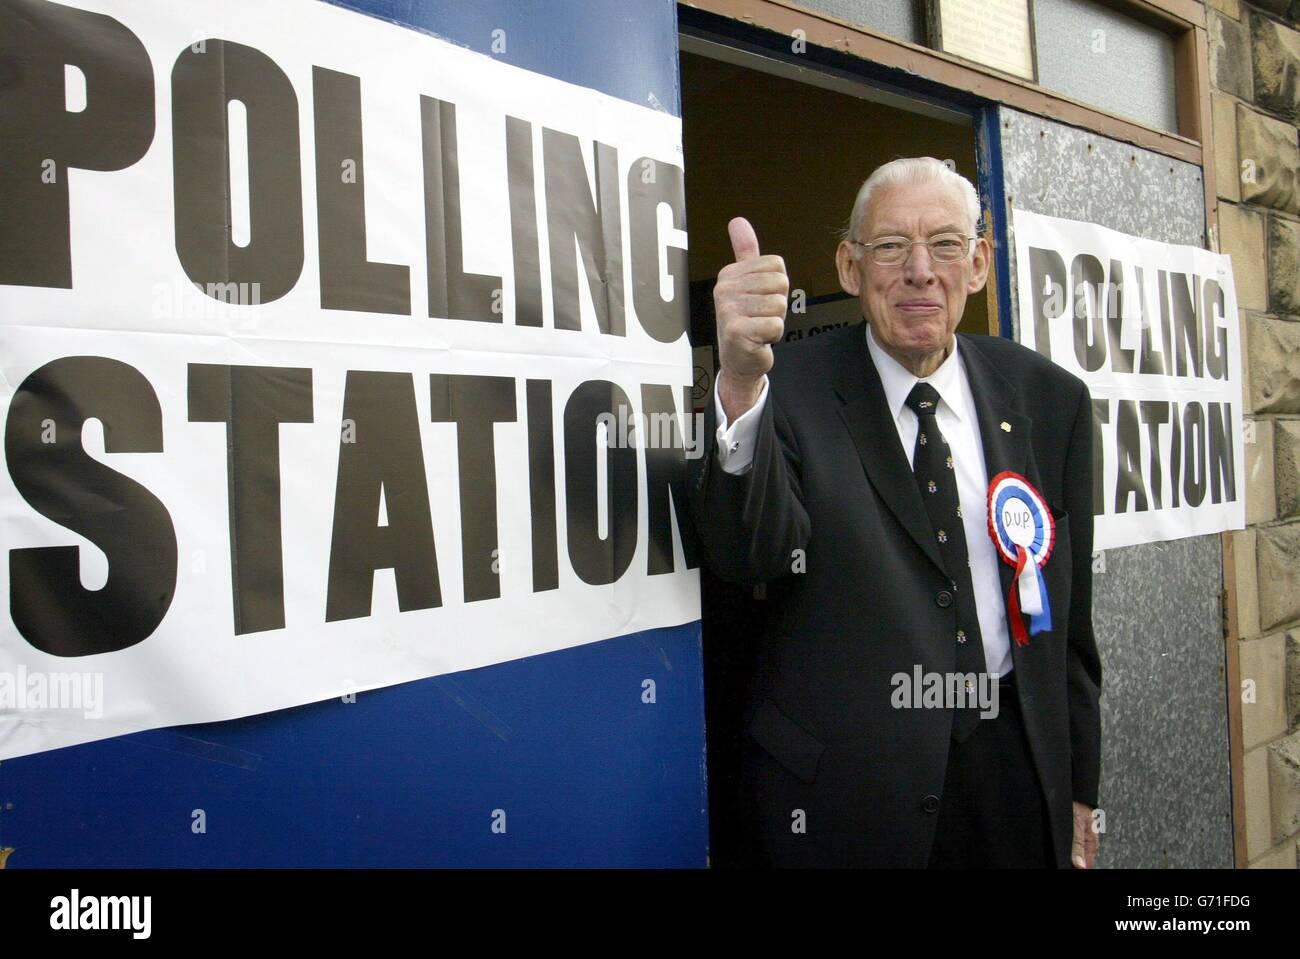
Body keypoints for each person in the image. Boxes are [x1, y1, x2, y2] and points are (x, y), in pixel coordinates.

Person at [688, 157, 1102, 868]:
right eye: (890, 247)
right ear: (850, 267)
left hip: (1018, 778)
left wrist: (1079, 787)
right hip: (852, 799)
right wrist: (737, 381)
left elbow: (1070, 625)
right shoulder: (783, 388)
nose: (919, 270)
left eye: (944, 244)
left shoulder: (1049, 400)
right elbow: (745, 553)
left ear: (977, 263)